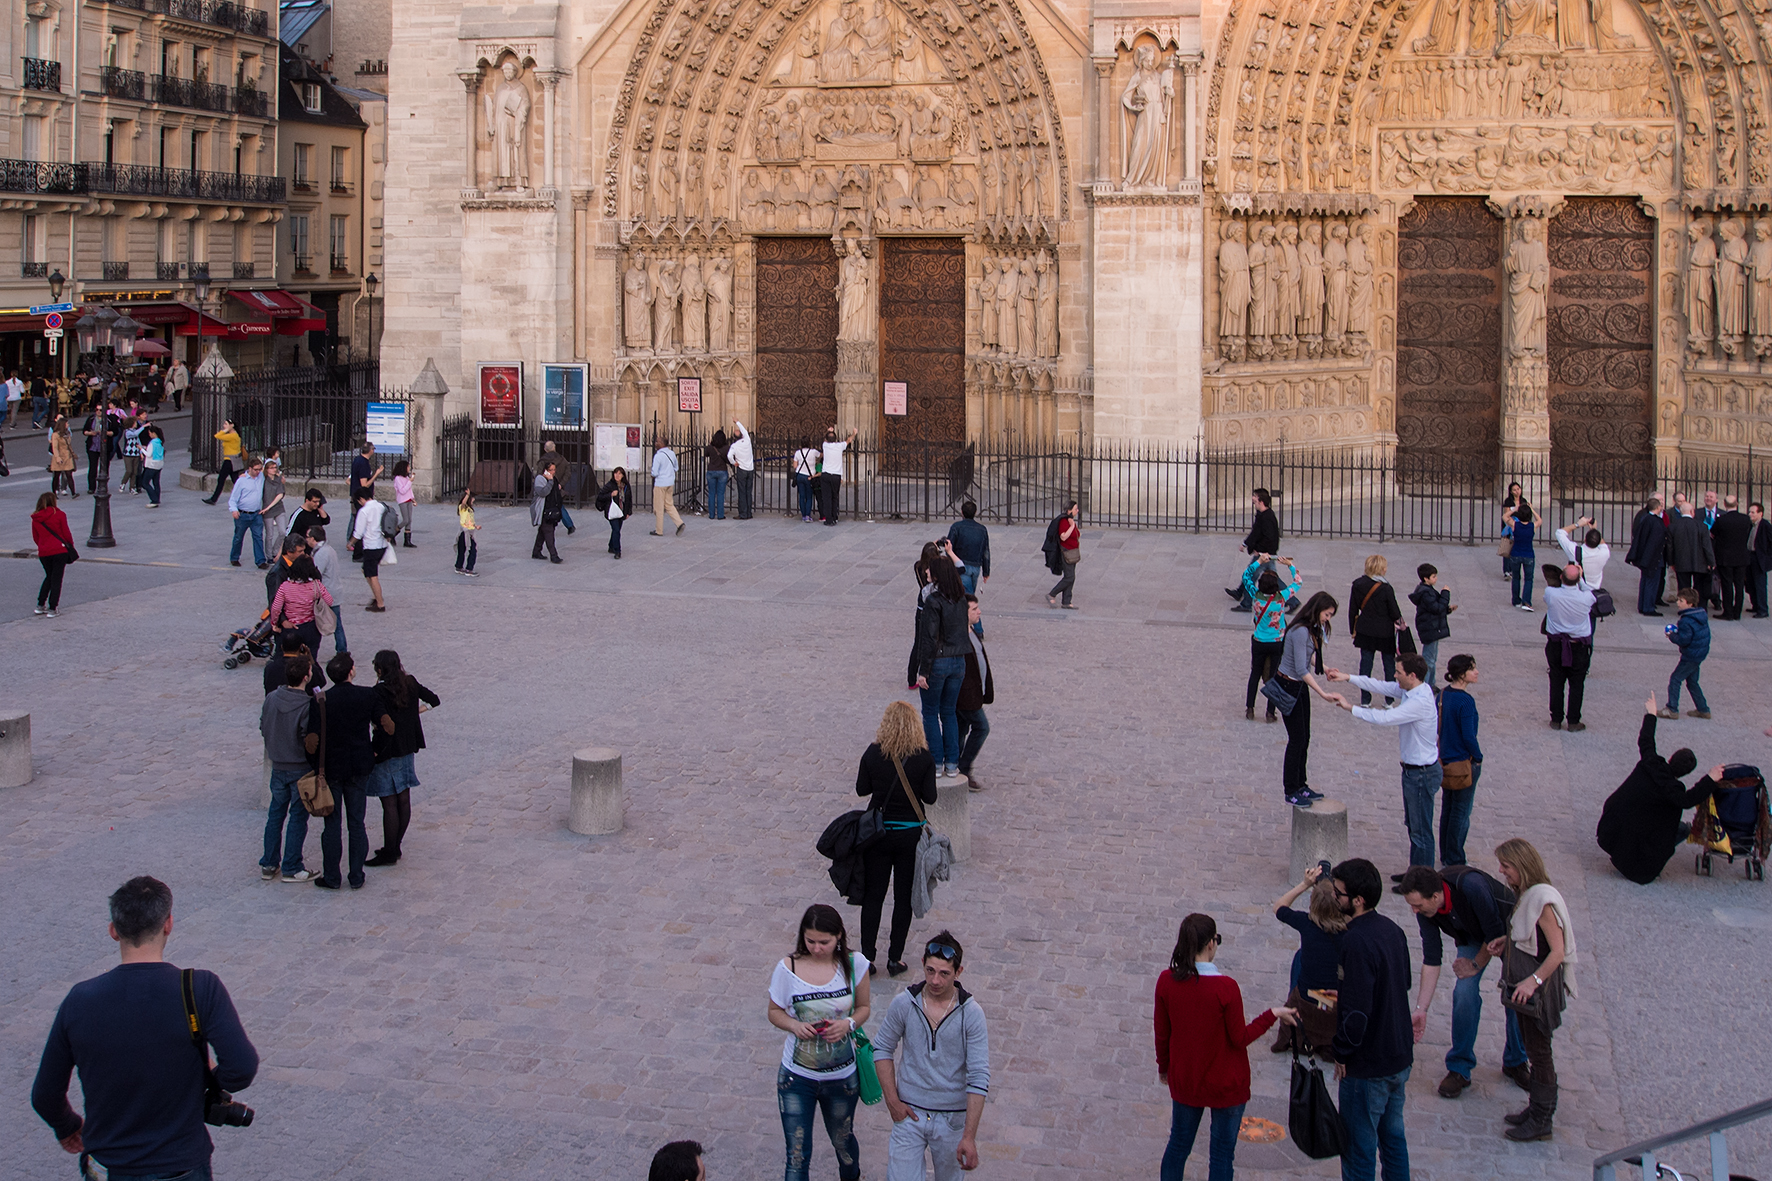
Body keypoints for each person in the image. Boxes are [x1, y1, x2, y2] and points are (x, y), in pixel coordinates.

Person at [31, 876, 259, 1181]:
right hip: (181, 1164)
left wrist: (68, 1125)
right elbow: (242, 1067)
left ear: (114, 931)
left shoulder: (80, 1000)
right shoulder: (199, 989)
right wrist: (205, 1082)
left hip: (109, 1166)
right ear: (168, 924)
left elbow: (45, 1094)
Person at [1154, 913, 1296, 1181]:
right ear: (1210, 943)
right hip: (1226, 1083)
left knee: (1178, 1146)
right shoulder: (1226, 988)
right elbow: (1239, 1038)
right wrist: (1272, 1014)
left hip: (1187, 1079)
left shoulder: (1166, 982)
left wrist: (1165, 1068)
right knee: (1221, 1155)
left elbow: (1162, 1034)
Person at [1395, 863, 1529, 1101]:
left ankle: (1516, 1061)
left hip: (1507, 934)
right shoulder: (1427, 910)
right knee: (1464, 994)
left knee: (1515, 993)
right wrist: (1421, 1009)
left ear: (1435, 896)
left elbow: (1495, 937)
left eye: (1417, 905)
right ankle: (1459, 1068)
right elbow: (1431, 958)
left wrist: (1474, 965)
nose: (1414, 911)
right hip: (1473, 937)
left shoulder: (1472, 887)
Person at [872, 932, 990, 1181]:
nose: (935, 980)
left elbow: (979, 1076)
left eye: (944, 973)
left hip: (951, 1122)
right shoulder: (904, 1004)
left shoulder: (971, 1014)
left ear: (958, 972)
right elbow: (882, 1048)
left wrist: (968, 1136)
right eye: (930, 970)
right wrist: (892, 1101)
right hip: (910, 1116)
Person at [768, 904, 871, 1181]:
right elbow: (774, 1011)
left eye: (824, 942)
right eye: (810, 941)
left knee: (844, 1143)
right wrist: (795, 1025)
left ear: (839, 937)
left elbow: (863, 1008)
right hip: (796, 1076)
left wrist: (847, 1024)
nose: (816, 948)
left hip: (841, 1077)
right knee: (797, 1155)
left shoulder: (854, 963)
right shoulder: (787, 968)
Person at [1328, 858, 1413, 1181]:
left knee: (1358, 1149)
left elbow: (1358, 1015)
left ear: (1357, 900)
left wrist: (1341, 1052)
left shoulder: (1354, 941)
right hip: (1399, 1056)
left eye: (1339, 893)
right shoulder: (1392, 930)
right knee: (1393, 1141)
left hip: (1368, 1066)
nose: (1334, 897)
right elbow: (1400, 984)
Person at [1493, 839, 1576, 1142]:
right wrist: (1507, 942)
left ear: (1522, 866)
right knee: (1533, 1048)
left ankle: (1542, 1118)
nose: (1502, 872)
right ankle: (1537, 1109)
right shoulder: (1528, 895)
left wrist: (1532, 982)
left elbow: (1557, 951)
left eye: (1507, 866)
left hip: (1538, 991)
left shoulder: (1542, 902)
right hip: (1527, 990)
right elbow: (1528, 936)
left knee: (1540, 1053)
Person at [1329, 652, 1440, 869]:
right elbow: (1380, 685)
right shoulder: (1413, 689)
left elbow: (1385, 718)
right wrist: (1347, 677)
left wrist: (1350, 707)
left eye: (1399, 672)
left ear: (1413, 675)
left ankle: (1422, 880)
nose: (1395, 676)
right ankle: (1415, 873)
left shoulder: (1419, 702)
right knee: (1414, 826)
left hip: (1421, 773)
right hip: (1413, 771)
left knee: (1421, 831)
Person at [854, 701, 938, 976]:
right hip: (909, 836)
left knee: (874, 896)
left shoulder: (873, 753)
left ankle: (867, 957)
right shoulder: (923, 757)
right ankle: (894, 958)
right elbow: (930, 798)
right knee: (903, 898)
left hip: (878, 835)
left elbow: (861, 789)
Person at [1596, 698, 1715, 883]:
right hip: (1637, 852)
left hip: (1613, 830)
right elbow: (1689, 799)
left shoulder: (1650, 762)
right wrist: (1711, 779)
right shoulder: (1673, 791)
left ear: (1671, 757)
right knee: (1683, 829)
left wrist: (1651, 714)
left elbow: (1646, 740)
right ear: (1685, 774)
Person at [317, 652, 392, 890]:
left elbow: (312, 739)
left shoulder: (322, 700)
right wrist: (375, 749)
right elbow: (386, 725)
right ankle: (356, 875)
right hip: (359, 764)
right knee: (356, 823)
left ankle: (331, 876)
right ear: (351, 672)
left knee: (332, 824)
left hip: (332, 766)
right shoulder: (367, 695)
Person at [366, 649, 439, 868]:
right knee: (403, 798)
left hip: (388, 750)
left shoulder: (378, 692)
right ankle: (395, 845)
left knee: (389, 802)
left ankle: (390, 851)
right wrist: (417, 712)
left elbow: (381, 724)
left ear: (380, 669)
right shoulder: (410, 682)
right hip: (408, 747)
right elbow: (434, 699)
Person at [1275, 591, 1345, 807]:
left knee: (1305, 736)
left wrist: (1324, 668)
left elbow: (1308, 657)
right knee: (1296, 739)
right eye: (1327, 614)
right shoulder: (1299, 632)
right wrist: (1322, 693)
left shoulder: (1309, 630)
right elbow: (1300, 668)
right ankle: (1290, 789)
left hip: (1299, 686)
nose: (1328, 619)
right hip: (1289, 685)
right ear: (1317, 609)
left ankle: (1301, 784)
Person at [1268, 865, 1346, 1055]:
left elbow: (1278, 907)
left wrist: (1305, 884)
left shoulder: (1306, 923)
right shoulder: (1349, 930)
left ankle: (1297, 1026)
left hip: (1307, 997)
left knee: (1300, 957)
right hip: (1333, 1001)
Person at [259, 654, 320, 883]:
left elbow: (263, 725)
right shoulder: (306, 704)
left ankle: (269, 862)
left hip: (278, 765)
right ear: (306, 676)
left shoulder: (271, 698)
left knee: (275, 814)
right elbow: (308, 739)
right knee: (297, 816)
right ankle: (292, 866)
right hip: (299, 767)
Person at [915, 557, 971, 778]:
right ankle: (952, 763)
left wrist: (923, 670)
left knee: (930, 712)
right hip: (958, 660)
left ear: (937, 575)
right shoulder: (961, 599)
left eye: (930, 570)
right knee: (948, 712)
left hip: (938, 661)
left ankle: (936, 762)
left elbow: (928, 638)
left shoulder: (934, 601)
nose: (927, 571)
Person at [1437, 654, 1483, 866]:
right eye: (1472, 669)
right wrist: (1478, 757)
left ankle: (1446, 853)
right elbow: (1468, 735)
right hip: (1463, 762)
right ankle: (1455, 857)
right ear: (1462, 674)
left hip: (1445, 760)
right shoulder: (1465, 700)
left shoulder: (1443, 695)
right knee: (1461, 812)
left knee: (1448, 808)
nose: (1476, 672)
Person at [1242, 557, 1300, 721]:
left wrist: (1259, 561)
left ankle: (1250, 708)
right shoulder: (1281, 598)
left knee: (1255, 674)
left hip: (1259, 640)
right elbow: (1298, 582)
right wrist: (1290, 566)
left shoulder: (1256, 595)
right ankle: (1270, 711)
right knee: (1274, 676)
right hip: (1277, 641)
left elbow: (1246, 576)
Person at [1542, 562, 1596, 732]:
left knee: (1556, 681)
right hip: (1578, 647)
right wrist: (1580, 578)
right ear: (1579, 579)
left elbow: (1550, 591)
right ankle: (1573, 721)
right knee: (1577, 684)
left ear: (1560, 577)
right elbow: (1591, 593)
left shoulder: (1551, 594)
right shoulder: (1586, 598)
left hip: (1556, 645)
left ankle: (1556, 719)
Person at [1349, 554, 1403, 704]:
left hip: (1365, 629)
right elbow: (1394, 612)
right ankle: (1389, 700)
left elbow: (1353, 609)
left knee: (1366, 664)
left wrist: (1352, 629)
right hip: (1385, 632)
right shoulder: (1386, 588)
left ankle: (1365, 699)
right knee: (1389, 666)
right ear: (1382, 569)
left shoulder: (1358, 584)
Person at [955, 594, 992, 792]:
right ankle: (963, 766)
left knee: (961, 729)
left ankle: (953, 765)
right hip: (966, 696)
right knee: (981, 727)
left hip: (973, 693)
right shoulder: (960, 636)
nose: (979, 612)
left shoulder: (972, 631)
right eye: (974, 609)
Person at [1659, 587, 1711, 719]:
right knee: (1692, 681)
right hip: (1699, 653)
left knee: (1675, 679)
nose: (1678, 602)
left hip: (1690, 655)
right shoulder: (1700, 615)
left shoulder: (1686, 620)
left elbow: (1684, 640)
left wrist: (1671, 635)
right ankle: (1703, 709)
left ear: (1690, 604)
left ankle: (1672, 709)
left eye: (1681, 600)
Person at [1227, 488, 1282, 611]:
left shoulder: (1266, 517)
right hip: (1266, 553)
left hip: (1264, 553)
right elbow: (1256, 533)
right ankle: (1240, 592)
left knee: (1250, 576)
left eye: (1255, 499)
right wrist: (1246, 544)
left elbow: (1268, 537)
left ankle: (1246, 603)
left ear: (1261, 501)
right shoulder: (1263, 515)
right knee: (1271, 578)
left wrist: (1258, 549)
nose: (1253, 501)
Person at [269, 555, 335, 659]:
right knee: (311, 658)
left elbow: (275, 608)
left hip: (290, 628)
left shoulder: (285, 586)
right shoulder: (316, 585)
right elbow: (329, 601)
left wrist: (275, 623)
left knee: (287, 658)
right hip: (311, 627)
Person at [1407, 563, 1455, 694]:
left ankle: (1430, 683)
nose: (1436, 579)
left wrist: (1448, 609)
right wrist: (1445, 594)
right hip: (1430, 628)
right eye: (1433, 576)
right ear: (1426, 579)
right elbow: (1437, 608)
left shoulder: (1426, 591)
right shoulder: (1426, 593)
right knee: (1429, 659)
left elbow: (1436, 608)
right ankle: (1426, 685)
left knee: (1432, 658)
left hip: (1431, 627)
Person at [30, 491, 76, 619]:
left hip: (44, 552)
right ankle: (52, 608)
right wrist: (70, 546)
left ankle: (40, 605)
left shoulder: (36, 518)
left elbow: (36, 537)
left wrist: (43, 546)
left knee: (49, 577)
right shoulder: (60, 515)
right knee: (56, 579)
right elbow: (66, 533)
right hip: (59, 550)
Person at [306, 526, 349, 653]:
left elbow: (316, 572)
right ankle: (342, 650)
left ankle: (342, 650)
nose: (306, 540)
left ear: (313, 538)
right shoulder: (327, 549)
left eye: (307, 537)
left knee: (333, 624)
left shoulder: (322, 553)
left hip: (327, 592)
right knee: (337, 623)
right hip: (334, 590)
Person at [1626, 496, 1669, 616]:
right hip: (1653, 558)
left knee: (1645, 581)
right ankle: (1648, 607)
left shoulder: (1645, 518)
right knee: (1651, 582)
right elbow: (1654, 543)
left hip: (1646, 557)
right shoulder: (1656, 522)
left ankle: (1642, 605)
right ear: (1658, 507)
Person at [1668, 499, 1716, 608]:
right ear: (1692, 512)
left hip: (1681, 562)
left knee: (1684, 587)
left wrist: (1671, 562)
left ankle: (1684, 606)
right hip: (1700, 562)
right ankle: (1698, 606)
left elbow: (1670, 547)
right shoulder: (1702, 526)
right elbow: (1707, 546)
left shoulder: (1673, 526)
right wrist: (1711, 561)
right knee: (1699, 587)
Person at [1711, 494, 1752, 620]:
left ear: (1724, 504)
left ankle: (1728, 611)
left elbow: (1713, 534)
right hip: (1741, 557)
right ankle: (1737, 612)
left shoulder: (1721, 520)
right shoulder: (1745, 519)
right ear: (1737, 504)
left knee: (1727, 584)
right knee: (1739, 585)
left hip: (1725, 557)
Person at [352, 495, 391, 611]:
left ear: (360, 499)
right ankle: (376, 595)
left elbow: (358, 532)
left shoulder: (364, 511)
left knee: (372, 575)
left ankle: (380, 603)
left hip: (371, 546)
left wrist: (350, 543)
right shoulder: (382, 506)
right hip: (382, 544)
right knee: (366, 570)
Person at [945, 500, 991, 594]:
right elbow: (986, 552)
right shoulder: (982, 529)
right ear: (975, 513)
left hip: (961, 564)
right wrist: (986, 571)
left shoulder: (956, 527)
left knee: (965, 595)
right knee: (970, 593)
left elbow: (949, 547)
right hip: (976, 567)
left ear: (962, 512)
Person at [1554, 515, 1610, 590]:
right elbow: (1602, 543)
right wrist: (1594, 529)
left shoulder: (1575, 551)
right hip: (1595, 590)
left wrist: (1578, 524)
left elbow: (1559, 533)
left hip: (1578, 589)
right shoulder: (1604, 553)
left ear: (1585, 540)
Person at [1501, 499, 1539, 610]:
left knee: (1516, 578)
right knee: (1528, 579)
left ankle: (1516, 600)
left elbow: (1505, 517)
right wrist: (1532, 509)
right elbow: (1540, 520)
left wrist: (1514, 509)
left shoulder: (1515, 525)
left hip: (1515, 554)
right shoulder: (1532, 526)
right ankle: (1526, 600)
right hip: (1528, 554)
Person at [1045, 499, 1081, 609]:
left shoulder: (1070, 521)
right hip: (1066, 552)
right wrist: (1071, 526)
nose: (1077, 511)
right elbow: (1063, 536)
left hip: (1072, 552)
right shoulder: (1064, 521)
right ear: (1069, 511)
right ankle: (1052, 594)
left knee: (1070, 577)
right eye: (1075, 509)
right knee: (1069, 577)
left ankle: (1067, 601)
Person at [819, 425, 858, 525]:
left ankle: (828, 519)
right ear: (835, 439)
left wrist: (828, 431)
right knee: (834, 497)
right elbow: (849, 440)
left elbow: (824, 439)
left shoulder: (825, 446)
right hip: (836, 476)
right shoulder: (840, 446)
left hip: (826, 475)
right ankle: (835, 517)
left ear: (827, 439)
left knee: (826, 498)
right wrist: (854, 433)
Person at [650, 436, 687, 536]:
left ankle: (659, 530)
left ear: (662, 443)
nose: (655, 443)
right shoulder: (671, 453)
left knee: (659, 507)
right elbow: (676, 467)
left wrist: (653, 475)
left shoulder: (658, 456)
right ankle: (679, 523)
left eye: (657, 442)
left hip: (660, 484)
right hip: (670, 482)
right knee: (669, 505)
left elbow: (654, 472)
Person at [596, 466, 634, 559]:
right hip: (612, 511)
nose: (617, 475)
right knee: (616, 530)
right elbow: (600, 496)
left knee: (616, 530)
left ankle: (611, 546)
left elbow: (629, 499)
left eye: (619, 473)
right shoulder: (610, 485)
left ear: (623, 475)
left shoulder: (626, 485)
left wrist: (629, 512)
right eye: (616, 473)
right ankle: (617, 551)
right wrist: (611, 494)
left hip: (622, 511)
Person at [531, 461, 564, 563]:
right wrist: (550, 482)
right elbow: (543, 492)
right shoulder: (540, 479)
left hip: (552, 509)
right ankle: (554, 555)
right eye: (551, 470)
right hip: (544, 511)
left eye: (554, 469)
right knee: (549, 533)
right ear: (545, 470)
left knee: (543, 531)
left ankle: (536, 551)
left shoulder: (554, 479)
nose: (553, 472)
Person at [202, 418, 242, 503]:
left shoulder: (232, 436)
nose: (224, 426)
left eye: (226, 424)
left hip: (229, 460)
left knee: (221, 479)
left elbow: (217, 436)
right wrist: (228, 429)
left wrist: (226, 429)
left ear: (231, 426)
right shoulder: (234, 435)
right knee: (236, 480)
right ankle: (243, 495)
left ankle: (214, 499)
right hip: (233, 461)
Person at [80, 401, 113, 495]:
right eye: (97, 410)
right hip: (93, 446)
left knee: (105, 467)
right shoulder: (91, 419)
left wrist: (106, 433)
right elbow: (84, 431)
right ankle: (91, 487)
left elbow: (115, 432)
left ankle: (103, 486)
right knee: (93, 467)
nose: (98, 412)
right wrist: (90, 433)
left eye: (100, 410)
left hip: (105, 447)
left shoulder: (109, 419)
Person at [260, 457, 288, 560]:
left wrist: (269, 507)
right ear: (266, 469)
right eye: (271, 468)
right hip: (266, 510)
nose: (274, 469)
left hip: (277, 507)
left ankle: (275, 551)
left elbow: (280, 494)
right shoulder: (263, 480)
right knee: (269, 534)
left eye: (275, 467)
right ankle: (268, 555)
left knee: (282, 532)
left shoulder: (278, 479)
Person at [728, 418, 756, 518]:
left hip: (742, 469)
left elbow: (729, 456)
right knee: (748, 491)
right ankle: (749, 512)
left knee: (742, 492)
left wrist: (734, 462)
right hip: (750, 469)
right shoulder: (747, 440)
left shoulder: (734, 446)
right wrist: (737, 422)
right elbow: (744, 430)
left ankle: (743, 513)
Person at [1750, 501, 1772, 618]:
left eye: (1753, 512)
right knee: (1751, 583)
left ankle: (1763, 609)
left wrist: (1767, 558)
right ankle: (1756, 605)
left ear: (1760, 513)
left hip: (1760, 558)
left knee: (1760, 584)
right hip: (1751, 556)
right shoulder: (1751, 524)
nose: (1750, 514)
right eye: (1750, 512)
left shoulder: (1765, 525)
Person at [704, 428, 731, 519]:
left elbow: (705, 454)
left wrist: (710, 444)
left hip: (711, 470)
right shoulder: (726, 448)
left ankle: (711, 514)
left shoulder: (710, 447)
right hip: (722, 471)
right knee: (720, 494)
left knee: (711, 493)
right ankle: (720, 515)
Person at [48, 415, 77, 498]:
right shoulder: (55, 435)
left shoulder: (66, 433)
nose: (68, 425)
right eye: (67, 423)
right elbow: (55, 447)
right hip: (59, 456)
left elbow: (69, 445)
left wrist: (73, 454)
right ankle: (54, 493)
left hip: (67, 456)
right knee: (56, 475)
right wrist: (57, 457)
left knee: (69, 474)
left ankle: (73, 493)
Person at [793, 437, 820, 522]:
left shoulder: (798, 452)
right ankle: (808, 515)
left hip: (800, 475)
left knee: (801, 496)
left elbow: (795, 466)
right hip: (809, 476)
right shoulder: (813, 452)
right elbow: (820, 455)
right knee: (809, 496)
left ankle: (803, 514)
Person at [350, 441, 382, 512]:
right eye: (373, 449)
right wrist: (376, 474)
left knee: (355, 518)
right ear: (370, 451)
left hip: (355, 494)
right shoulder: (363, 464)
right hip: (362, 497)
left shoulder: (357, 459)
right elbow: (364, 485)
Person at [455, 487, 480, 576]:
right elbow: (463, 503)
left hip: (470, 530)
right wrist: (468, 495)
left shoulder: (470, 510)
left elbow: (470, 521)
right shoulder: (463, 508)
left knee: (463, 549)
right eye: (472, 498)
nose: (473, 500)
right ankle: (469, 569)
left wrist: (476, 526)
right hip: (465, 531)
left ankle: (459, 566)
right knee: (470, 549)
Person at [392, 459, 417, 547]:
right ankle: (393, 532)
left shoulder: (406, 477)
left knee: (409, 520)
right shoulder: (398, 478)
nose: (409, 468)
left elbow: (409, 490)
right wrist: (410, 481)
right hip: (402, 500)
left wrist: (413, 498)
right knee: (405, 519)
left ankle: (407, 540)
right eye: (408, 466)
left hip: (409, 500)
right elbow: (402, 490)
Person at [140, 424, 165, 507]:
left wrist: (142, 449)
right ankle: (157, 498)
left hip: (151, 465)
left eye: (150, 433)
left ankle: (154, 500)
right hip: (159, 464)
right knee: (156, 483)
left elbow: (148, 454)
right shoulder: (160, 441)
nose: (149, 435)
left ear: (153, 433)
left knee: (145, 483)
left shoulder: (152, 443)